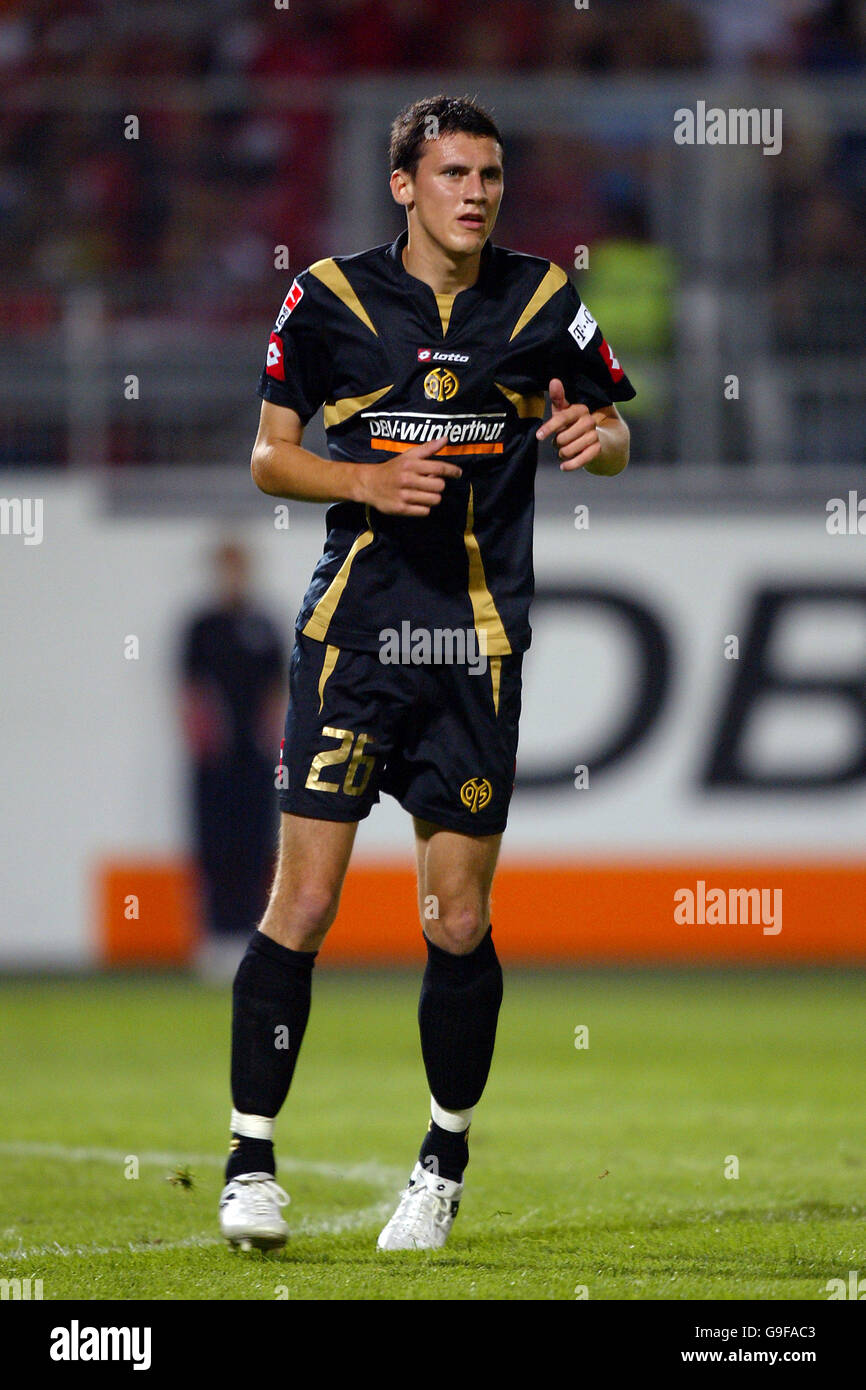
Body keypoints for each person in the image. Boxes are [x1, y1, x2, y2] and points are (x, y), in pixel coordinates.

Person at [218, 94, 635, 1252]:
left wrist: (596, 441)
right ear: (402, 183)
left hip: (474, 651)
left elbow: (612, 431)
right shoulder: (327, 298)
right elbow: (268, 457)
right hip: (353, 643)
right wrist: (363, 482)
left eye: (491, 174)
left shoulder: (543, 300)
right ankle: (250, 1157)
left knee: (455, 919)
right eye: (452, 172)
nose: (476, 192)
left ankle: (441, 1160)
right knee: (301, 903)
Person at [178, 541, 286, 962]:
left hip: (255, 760)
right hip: (214, 762)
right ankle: (215, 936)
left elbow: (278, 691)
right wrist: (203, 740)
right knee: (213, 845)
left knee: (256, 845)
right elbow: (190, 692)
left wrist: (272, 742)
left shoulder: (264, 626)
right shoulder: (202, 627)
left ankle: (250, 934)